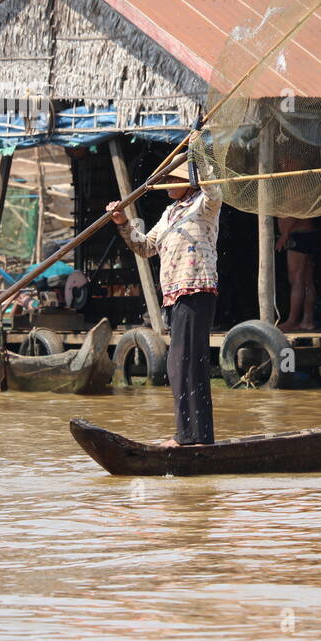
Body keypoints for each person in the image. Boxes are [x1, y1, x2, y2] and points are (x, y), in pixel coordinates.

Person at [107, 169, 222, 447]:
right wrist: (123, 223)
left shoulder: (204, 205)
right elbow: (146, 247)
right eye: (167, 180)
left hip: (196, 289)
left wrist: (197, 160)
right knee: (178, 365)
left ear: (190, 183)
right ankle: (191, 434)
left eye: (174, 179)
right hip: (173, 295)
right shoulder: (170, 213)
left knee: (187, 364)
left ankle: (192, 437)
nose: (167, 184)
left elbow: (214, 190)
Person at [276, 215, 318, 331]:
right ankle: (307, 320)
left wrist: (285, 234)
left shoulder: (292, 195)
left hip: (298, 234)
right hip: (307, 233)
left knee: (297, 279)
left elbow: (293, 211)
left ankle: (292, 321)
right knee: (307, 280)